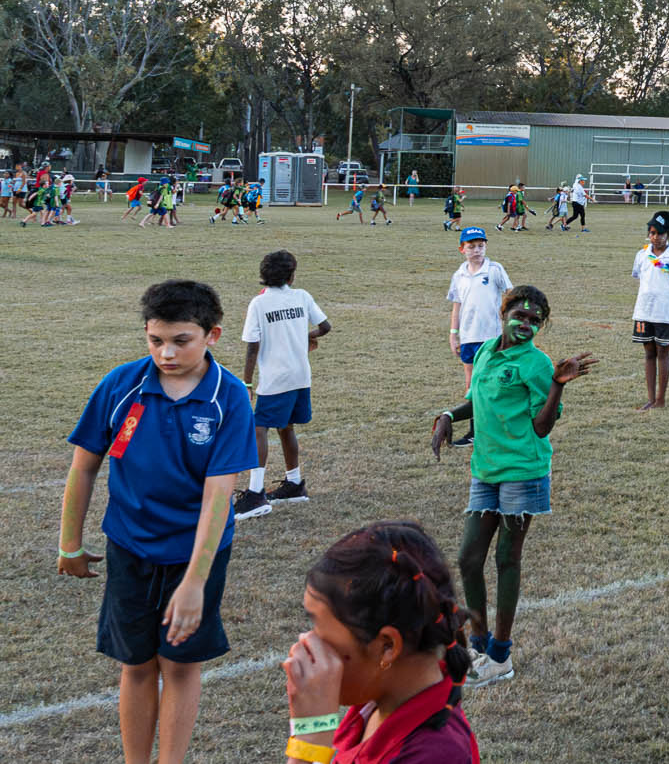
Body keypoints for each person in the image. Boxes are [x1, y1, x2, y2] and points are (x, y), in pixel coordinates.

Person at [59, 279, 260, 764]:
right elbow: (84, 466)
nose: (166, 353)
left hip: (197, 553)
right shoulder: (121, 384)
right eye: (155, 340)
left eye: (180, 341)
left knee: (180, 664)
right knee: (136, 664)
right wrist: (69, 544)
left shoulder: (228, 397)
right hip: (129, 546)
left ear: (212, 335)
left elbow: (219, 496)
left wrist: (194, 581)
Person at [430, 285, 597, 686]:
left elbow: (542, 425)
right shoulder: (487, 350)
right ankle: (479, 641)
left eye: (535, 320)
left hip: (523, 471)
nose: (526, 324)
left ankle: (500, 656)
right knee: (470, 558)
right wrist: (449, 415)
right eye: (520, 315)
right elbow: (476, 399)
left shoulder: (537, 364)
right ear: (503, 313)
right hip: (485, 469)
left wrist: (558, 383)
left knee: (507, 558)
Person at [284, 521, 482, 764]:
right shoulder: (373, 706)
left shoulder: (434, 755)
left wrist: (309, 743)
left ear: (387, 646)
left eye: (318, 630)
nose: (304, 645)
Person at [235, 250, 332, 519]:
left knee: (259, 427)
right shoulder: (302, 296)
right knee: (285, 426)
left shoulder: (259, 304)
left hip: (275, 379)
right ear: (291, 274)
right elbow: (325, 327)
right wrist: (305, 337)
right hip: (300, 376)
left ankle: (255, 494)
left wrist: (246, 382)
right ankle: (294, 484)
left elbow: (252, 346)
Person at [445, 228, 513, 449]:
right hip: (468, 337)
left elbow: (510, 296)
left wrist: (509, 327)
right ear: (461, 249)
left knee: (493, 384)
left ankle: (498, 428)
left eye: (480, 246)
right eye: (471, 246)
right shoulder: (459, 274)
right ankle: (476, 432)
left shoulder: (494, 270)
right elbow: (457, 305)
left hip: (490, 338)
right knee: (472, 385)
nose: (476, 250)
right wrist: (454, 334)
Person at [631, 210, 669, 410]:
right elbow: (641, 279)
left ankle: (661, 399)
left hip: (665, 314)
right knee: (649, 353)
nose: (655, 237)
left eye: (660, 234)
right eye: (652, 233)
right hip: (644, 312)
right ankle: (650, 398)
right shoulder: (642, 255)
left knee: (663, 353)